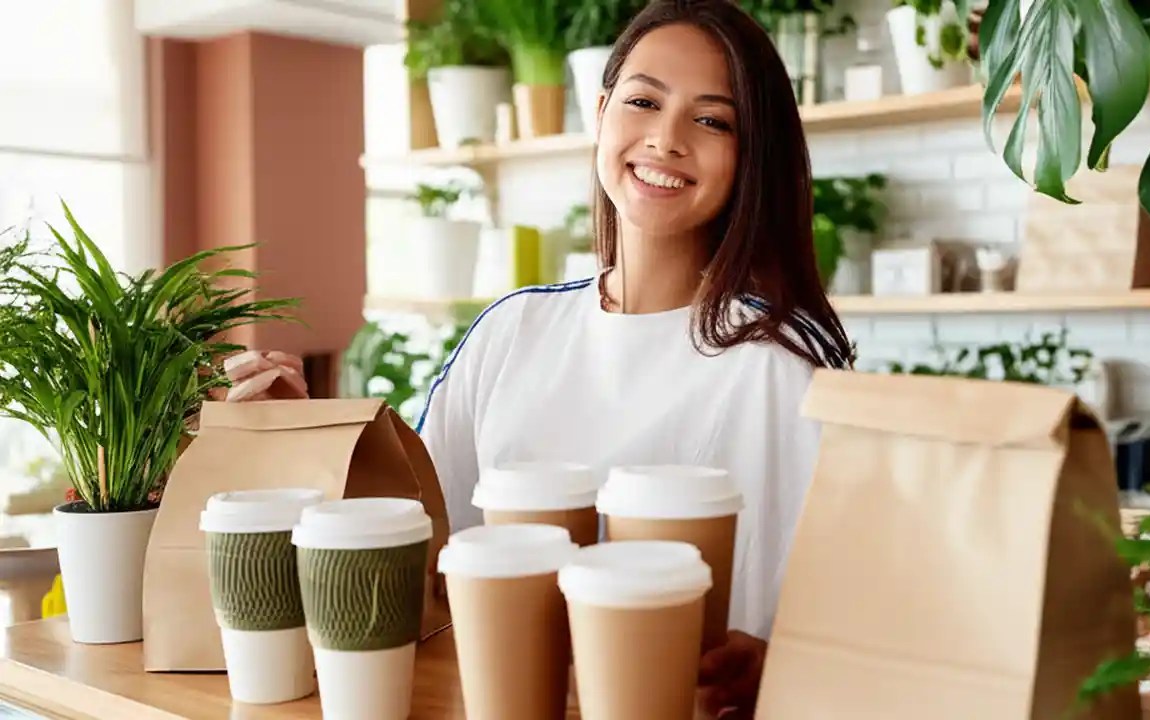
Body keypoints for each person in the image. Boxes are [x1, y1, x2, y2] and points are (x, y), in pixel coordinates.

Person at [226, 0, 854, 715]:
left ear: (752, 152)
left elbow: (860, 620)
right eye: (644, 101)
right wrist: (311, 442)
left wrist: (779, 665)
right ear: (601, 112)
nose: (666, 139)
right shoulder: (513, 330)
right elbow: (427, 544)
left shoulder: (784, 366)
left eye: (712, 120)